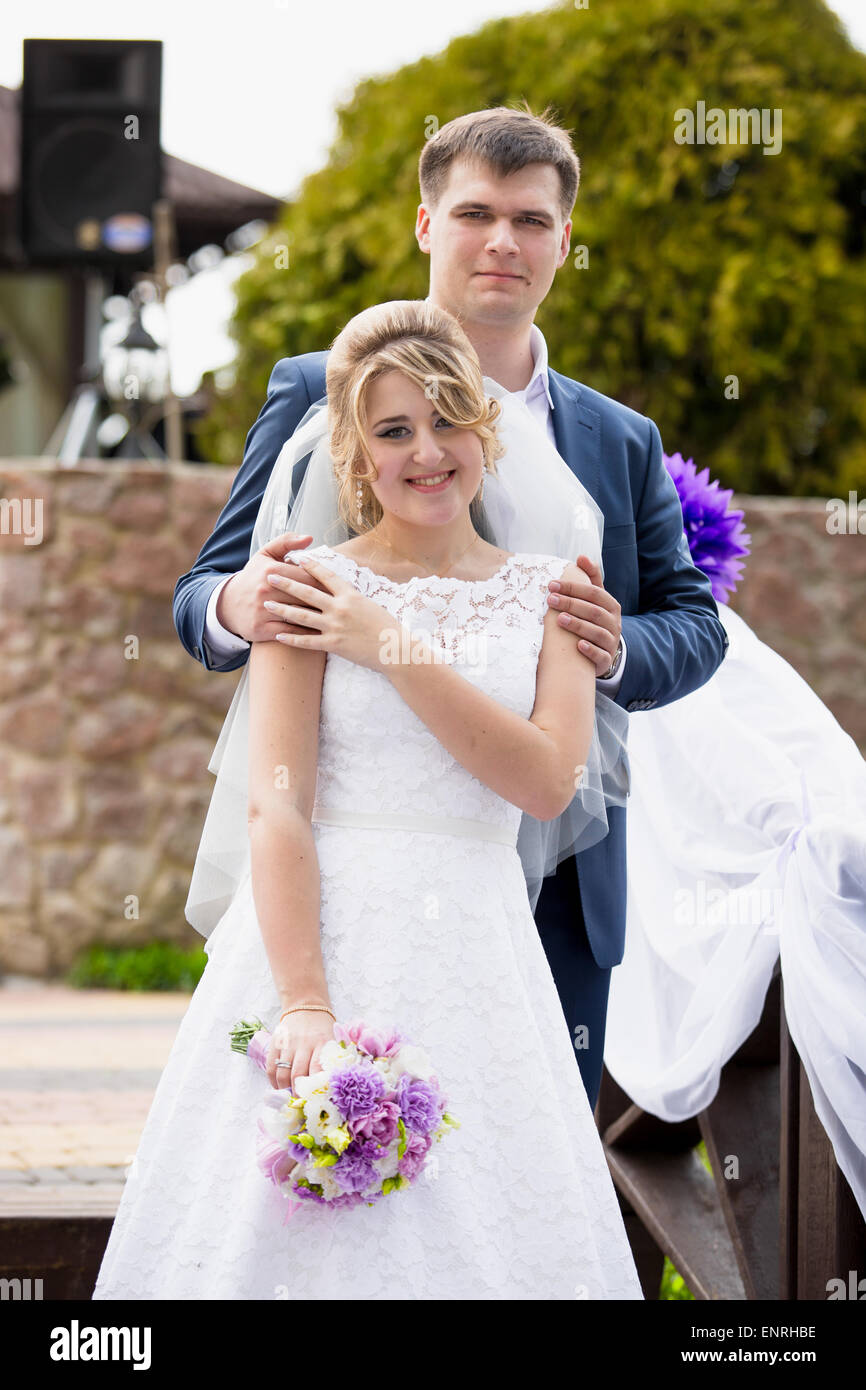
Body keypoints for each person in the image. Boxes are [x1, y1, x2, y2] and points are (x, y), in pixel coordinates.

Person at [173, 106, 728, 1109]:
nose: (504, 241)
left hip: (556, 886)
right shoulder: (315, 391)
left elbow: (693, 625)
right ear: (427, 226)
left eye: (532, 220)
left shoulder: (619, 437)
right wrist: (240, 599)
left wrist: (611, 647)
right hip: (348, 873)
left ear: (564, 240)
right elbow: (199, 592)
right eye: (476, 213)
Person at [94, 300, 645, 1299]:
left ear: (486, 432)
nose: (425, 450)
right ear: (354, 454)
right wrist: (305, 1002)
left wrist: (386, 640)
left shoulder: (553, 591)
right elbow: (278, 807)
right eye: (392, 430)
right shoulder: (301, 588)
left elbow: (542, 778)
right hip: (313, 942)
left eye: (445, 420)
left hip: (478, 947)